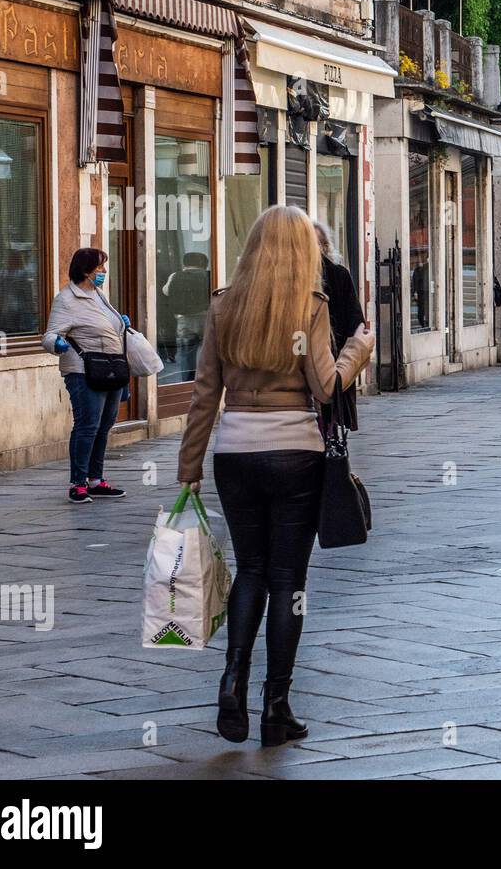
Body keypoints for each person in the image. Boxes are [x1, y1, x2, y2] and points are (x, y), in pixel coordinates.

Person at [176, 206, 372, 747]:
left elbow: (203, 393)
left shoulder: (223, 305)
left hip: (233, 452)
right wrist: (359, 347)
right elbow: (327, 386)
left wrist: (189, 466)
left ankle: (232, 678)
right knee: (288, 581)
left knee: (251, 570)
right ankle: (276, 706)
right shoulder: (310, 307)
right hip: (294, 454)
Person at [43, 248, 132, 504]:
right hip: (83, 371)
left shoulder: (99, 295)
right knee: (88, 425)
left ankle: (96, 480)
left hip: (111, 370)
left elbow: (108, 327)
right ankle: (78, 483)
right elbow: (50, 334)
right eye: (100, 268)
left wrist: (120, 323)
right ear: (85, 270)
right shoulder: (66, 299)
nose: (104, 272)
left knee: (104, 426)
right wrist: (56, 344)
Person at [315, 221, 366, 430]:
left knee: (329, 420)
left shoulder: (339, 276)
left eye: (316, 243)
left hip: (333, 358)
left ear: (324, 246)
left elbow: (356, 322)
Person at [161, 252, 212, 379]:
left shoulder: (175, 276)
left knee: (187, 354)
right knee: (209, 352)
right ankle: (206, 380)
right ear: (204, 264)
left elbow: (165, 291)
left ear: (184, 263)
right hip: (207, 318)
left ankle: (187, 381)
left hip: (185, 320)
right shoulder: (209, 275)